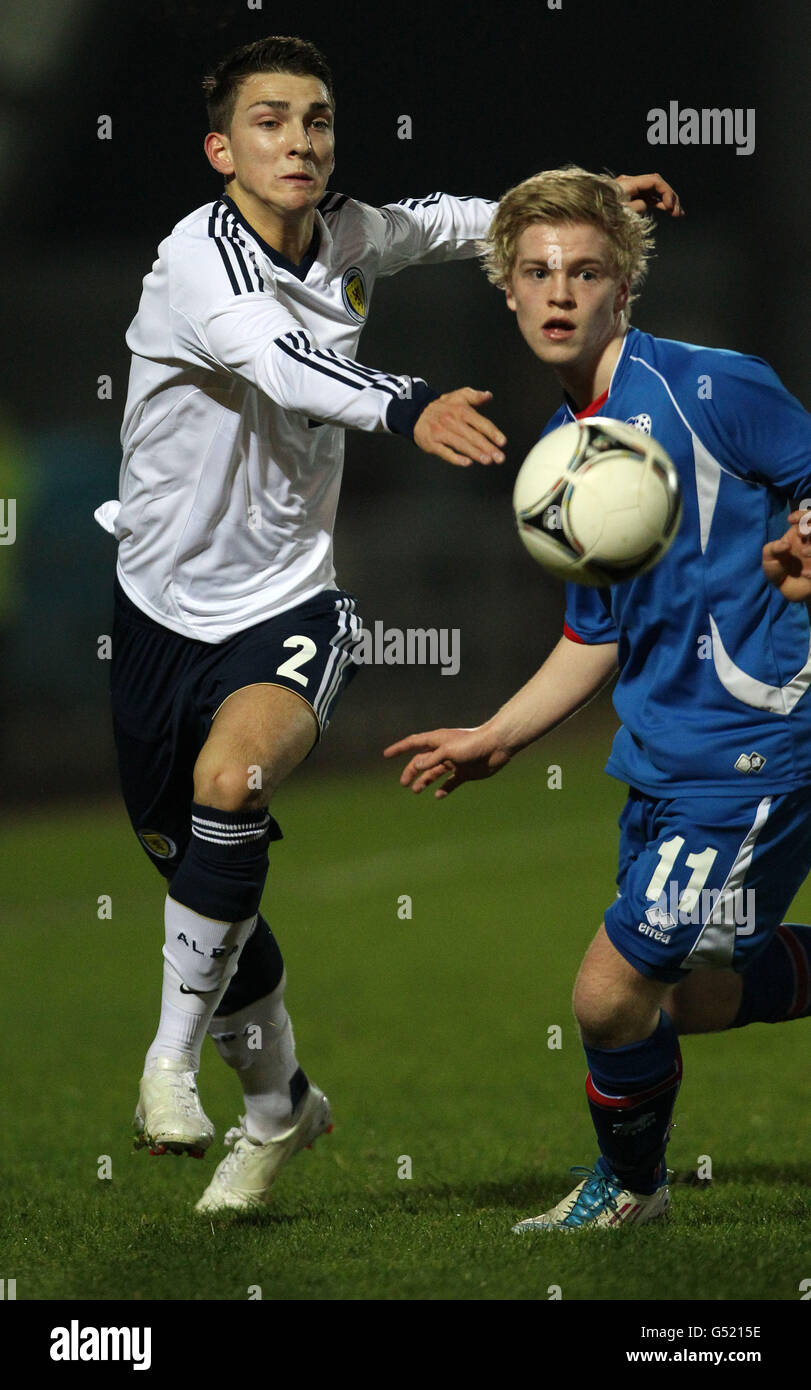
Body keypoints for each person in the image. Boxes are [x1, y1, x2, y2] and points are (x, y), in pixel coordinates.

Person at [94, 33, 680, 1217]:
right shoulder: (195, 266)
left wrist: (584, 208)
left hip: (287, 600)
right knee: (201, 870)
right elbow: (286, 361)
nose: (299, 140)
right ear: (222, 149)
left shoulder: (353, 231)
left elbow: (467, 219)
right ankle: (278, 1110)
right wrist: (404, 401)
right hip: (156, 608)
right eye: (269, 121)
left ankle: (167, 1063)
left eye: (315, 118)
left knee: (233, 783)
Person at [385, 166, 811, 1231]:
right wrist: (500, 735)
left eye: (584, 271)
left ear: (625, 287)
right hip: (661, 753)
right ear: (509, 289)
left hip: (754, 739)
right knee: (694, 995)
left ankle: (631, 1192)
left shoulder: (710, 388)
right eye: (535, 272)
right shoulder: (560, 456)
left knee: (606, 995)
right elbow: (597, 633)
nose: (559, 291)